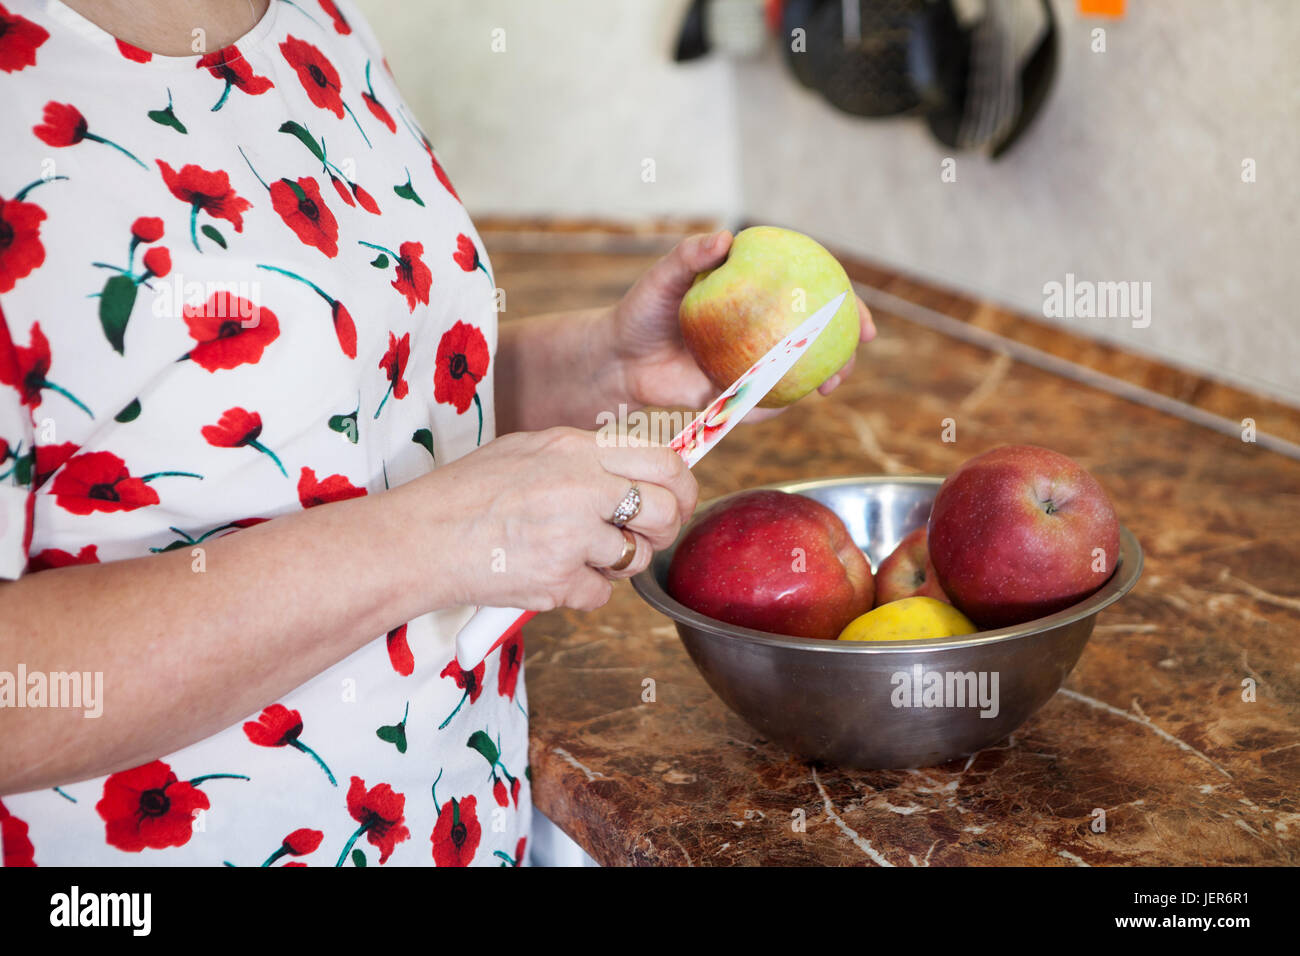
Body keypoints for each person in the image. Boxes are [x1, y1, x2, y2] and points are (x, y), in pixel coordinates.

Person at [0, 0, 872, 867]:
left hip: (449, 823)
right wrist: (440, 541)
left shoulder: (316, 22)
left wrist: (609, 371)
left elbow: (369, 402)